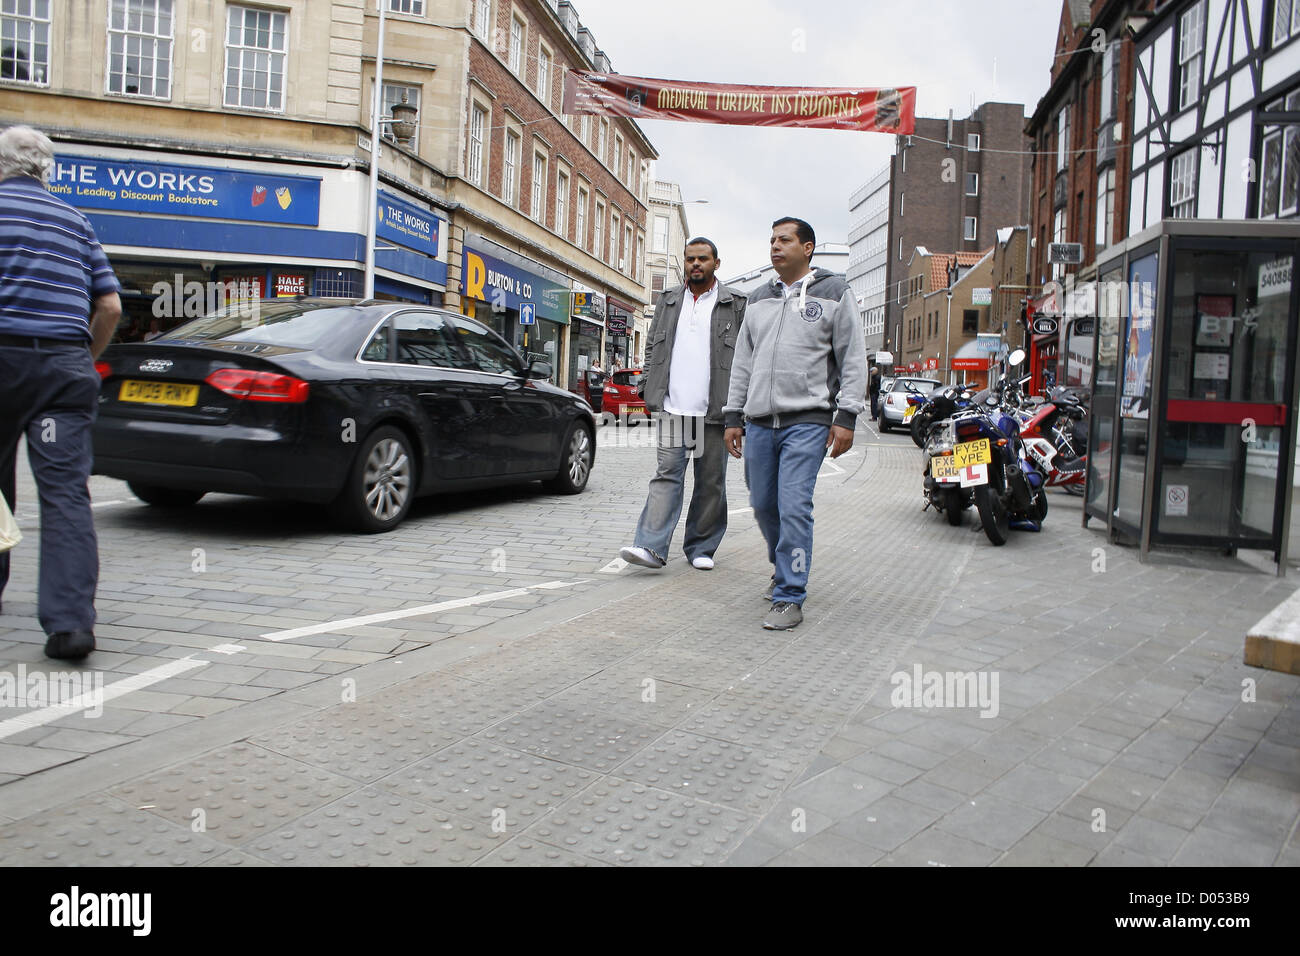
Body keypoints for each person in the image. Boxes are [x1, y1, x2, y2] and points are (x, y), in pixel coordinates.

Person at [0, 126, 122, 660]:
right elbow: (112, 307)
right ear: (46, 169)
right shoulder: (77, 220)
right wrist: (85, 359)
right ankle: (71, 625)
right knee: (66, 494)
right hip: (66, 368)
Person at [723, 217, 866, 630]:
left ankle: (790, 595)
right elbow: (743, 362)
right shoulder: (757, 298)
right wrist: (734, 415)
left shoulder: (834, 292)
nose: (775, 246)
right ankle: (782, 567)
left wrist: (847, 416)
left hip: (809, 420)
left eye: (785, 240)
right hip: (760, 423)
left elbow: (853, 357)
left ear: (807, 248)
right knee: (765, 505)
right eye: (771, 239)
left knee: (794, 506)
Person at [619, 237, 745, 571]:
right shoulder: (669, 300)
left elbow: (747, 358)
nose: (695, 264)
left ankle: (701, 547)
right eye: (690, 259)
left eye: (703, 259)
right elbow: (652, 347)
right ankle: (650, 547)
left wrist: (740, 409)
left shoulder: (735, 303)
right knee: (666, 476)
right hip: (674, 407)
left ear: (717, 263)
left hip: (715, 410)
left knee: (710, 482)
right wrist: (647, 387)